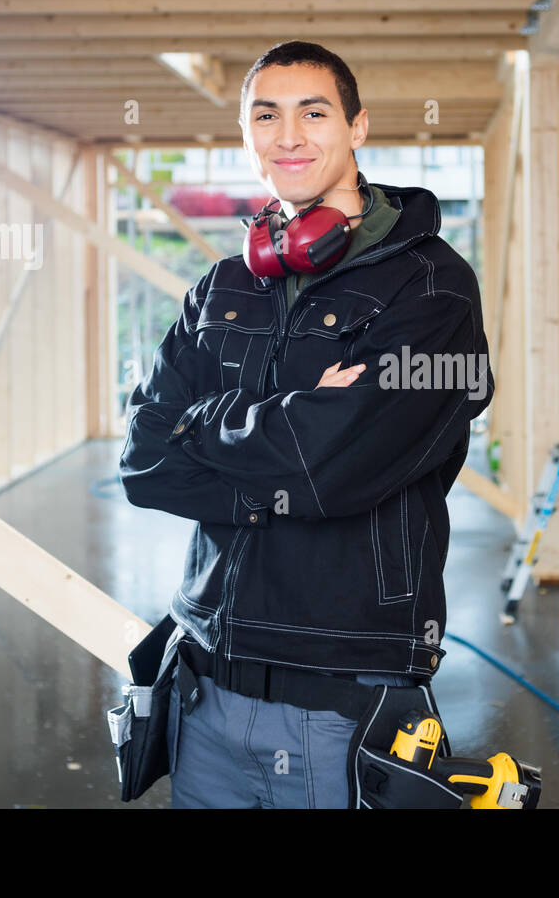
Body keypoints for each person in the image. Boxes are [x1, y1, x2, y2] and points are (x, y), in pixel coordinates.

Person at [118, 40, 493, 808]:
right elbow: (143, 462)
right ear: (248, 135)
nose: (288, 135)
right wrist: (286, 431)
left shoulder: (432, 288)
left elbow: (336, 466)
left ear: (357, 127)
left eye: (312, 112)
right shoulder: (223, 288)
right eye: (266, 115)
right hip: (205, 682)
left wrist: (206, 433)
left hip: (343, 694)